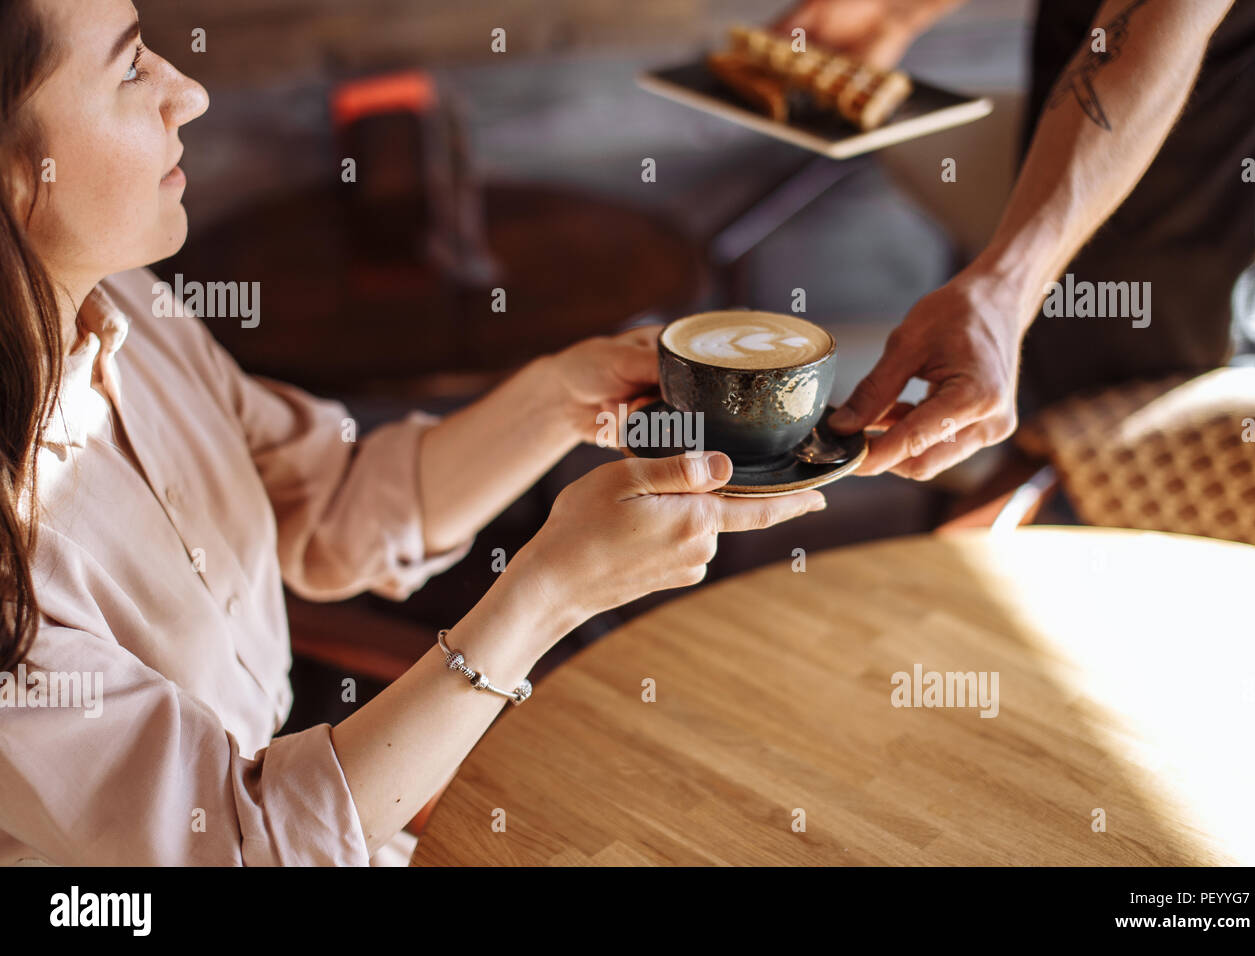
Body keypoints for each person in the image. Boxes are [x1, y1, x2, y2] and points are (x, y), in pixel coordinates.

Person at [0, 0, 828, 866]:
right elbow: (241, 846)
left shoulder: (126, 303)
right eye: (131, 69)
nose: (191, 93)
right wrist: (548, 595)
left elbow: (329, 506)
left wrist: (557, 395)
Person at [775, 0, 1255, 479]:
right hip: (1075, 91)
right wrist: (895, 12)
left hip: (1211, 166)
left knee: (1168, 451)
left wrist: (1004, 286)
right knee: (1046, 409)